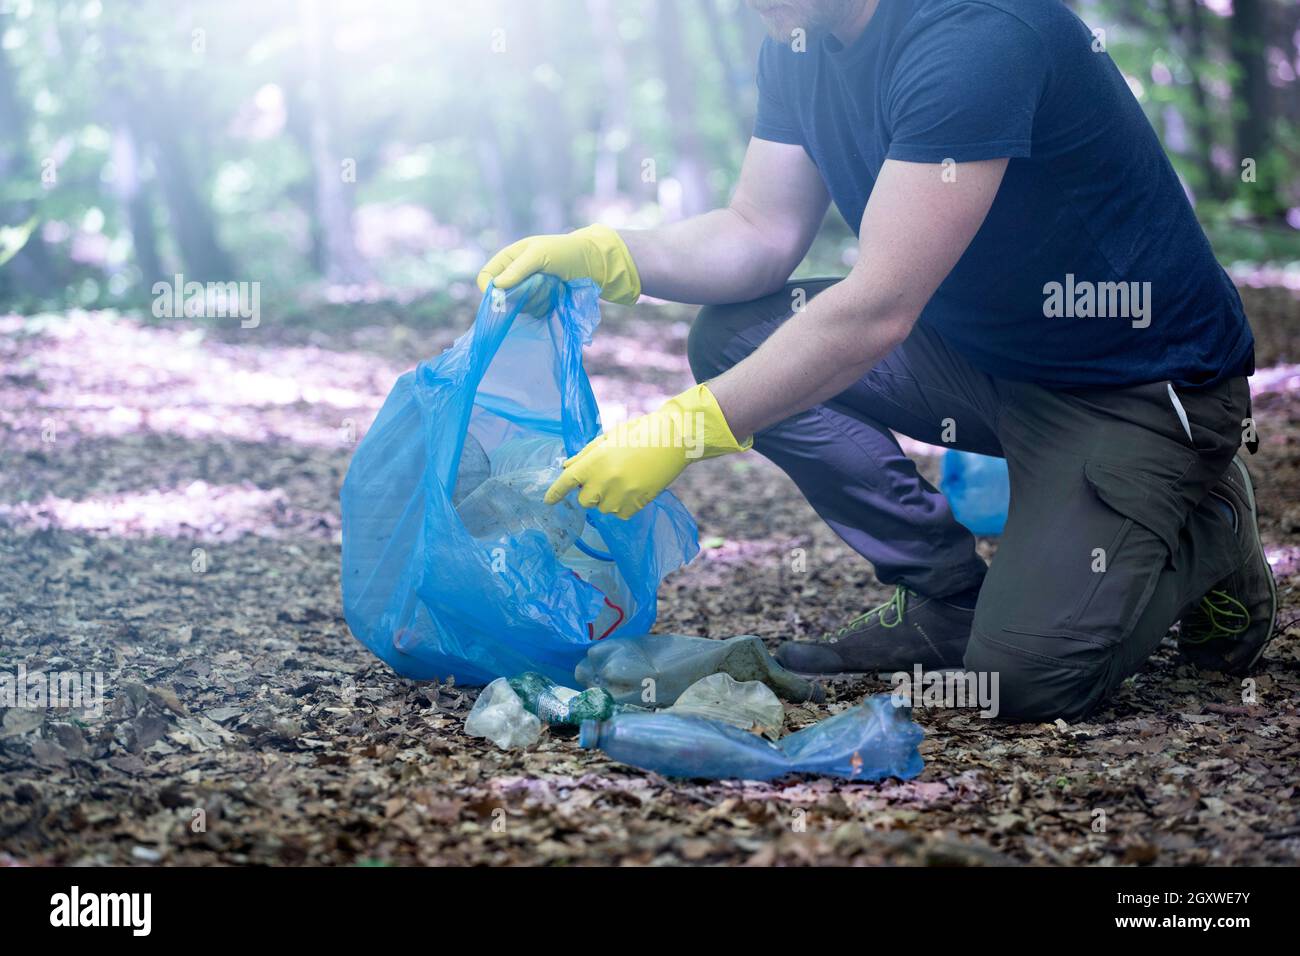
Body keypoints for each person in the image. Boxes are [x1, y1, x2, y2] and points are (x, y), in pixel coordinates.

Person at [475, 0, 1275, 722]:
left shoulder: (977, 35)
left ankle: (1207, 520)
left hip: (1134, 387)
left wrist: (683, 431)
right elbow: (757, 232)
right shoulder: (798, 34)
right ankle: (946, 595)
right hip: (984, 360)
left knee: (1026, 682)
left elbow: (879, 307)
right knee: (736, 338)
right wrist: (606, 254)